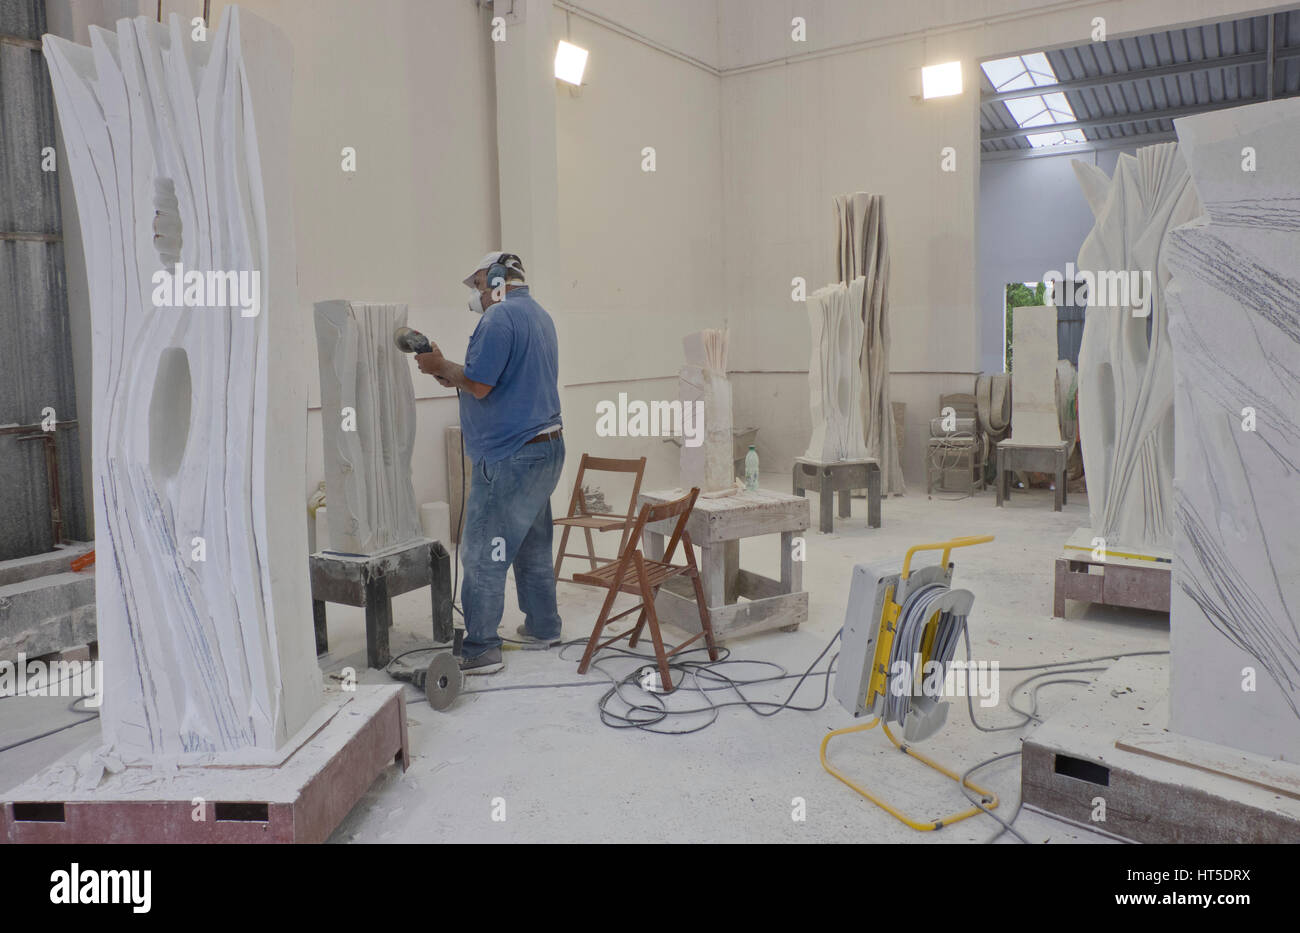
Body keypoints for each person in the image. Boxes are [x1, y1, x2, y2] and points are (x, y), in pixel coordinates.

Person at [415, 252, 564, 675]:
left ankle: (481, 648)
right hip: (545, 448)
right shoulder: (539, 316)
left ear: (497, 278)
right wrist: (448, 372)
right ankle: (544, 627)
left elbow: (480, 385)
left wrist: (440, 365)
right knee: (532, 545)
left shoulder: (499, 318)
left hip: (509, 454)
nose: (477, 294)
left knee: (483, 551)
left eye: (479, 284)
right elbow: (496, 380)